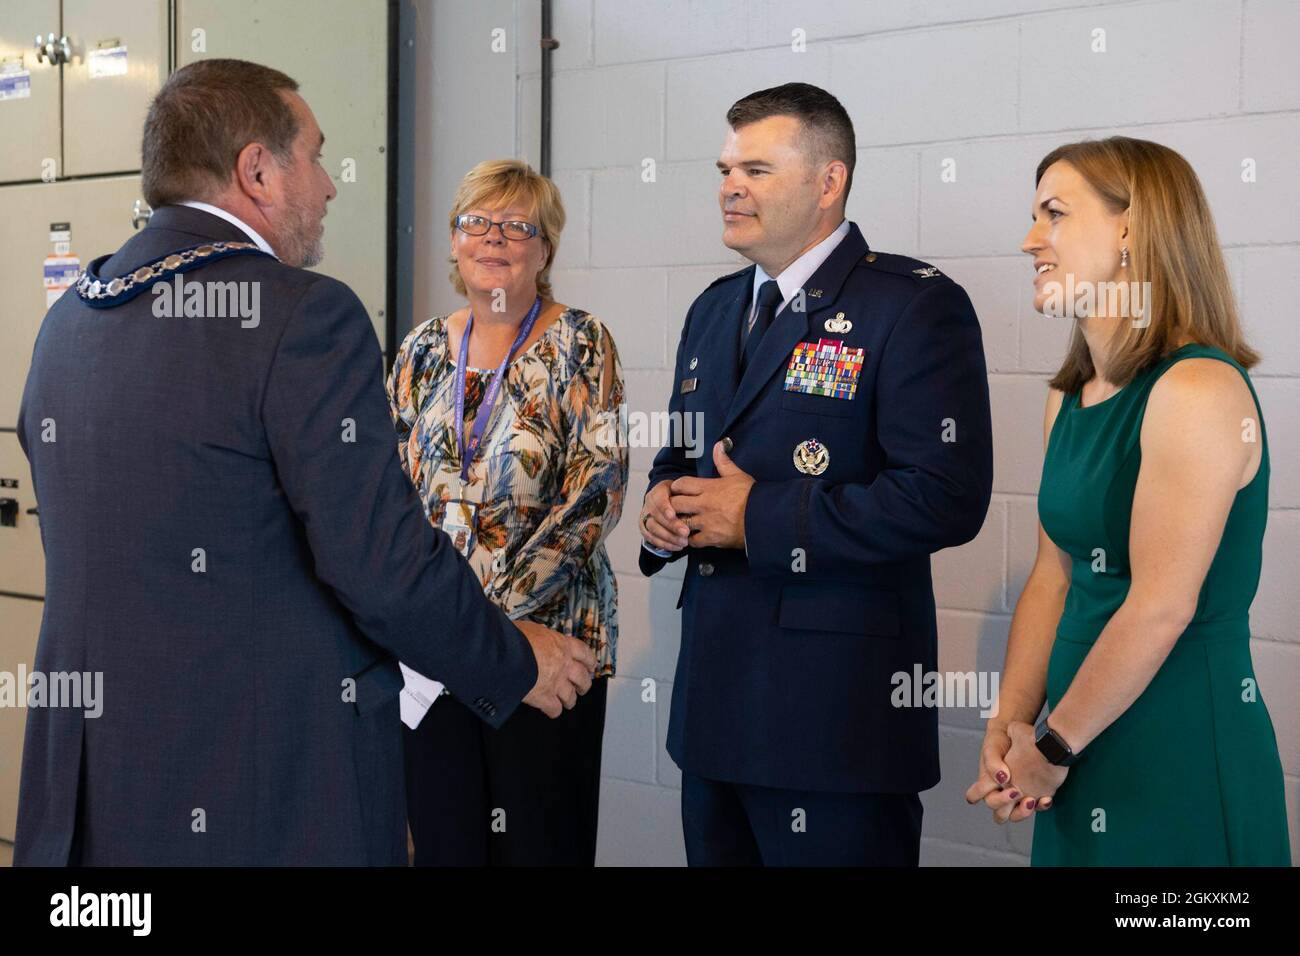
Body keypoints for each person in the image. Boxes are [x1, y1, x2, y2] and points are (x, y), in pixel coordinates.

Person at [14, 58, 594, 866]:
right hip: (260, 785)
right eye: (315, 157)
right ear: (257, 169)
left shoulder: (70, 320)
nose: (328, 186)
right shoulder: (302, 317)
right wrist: (514, 657)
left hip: (97, 789)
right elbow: (380, 562)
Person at [638, 83, 993, 866]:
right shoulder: (714, 308)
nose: (731, 186)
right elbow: (683, 456)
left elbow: (946, 497)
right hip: (713, 714)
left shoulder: (910, 306)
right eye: (726, 168)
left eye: (757, 170)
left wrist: (755, 517)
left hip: (836, 727)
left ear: (828, 182)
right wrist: (664, 506)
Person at [966, 136, 1291, 866]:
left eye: (1053, 214)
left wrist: (1051, 744)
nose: (1030, 241)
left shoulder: (1198, 389)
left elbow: (1161, 605)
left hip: (1172, 752)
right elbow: (1055, 578)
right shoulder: (1069, 397)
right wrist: (1009, 723)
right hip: (1077, 749)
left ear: (1130, 229)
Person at [387, 159, 627, 866]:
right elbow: (387, 491)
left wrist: (487, 628)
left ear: (544, 249)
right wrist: (442, 626)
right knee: (445, 847)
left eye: (518, 225)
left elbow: (596, 492)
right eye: (476, 222)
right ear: (454, 241)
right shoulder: (422, 349)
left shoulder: (582, 342)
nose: (495, 238)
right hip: (431, 657)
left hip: (544, 650)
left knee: (535, 848)